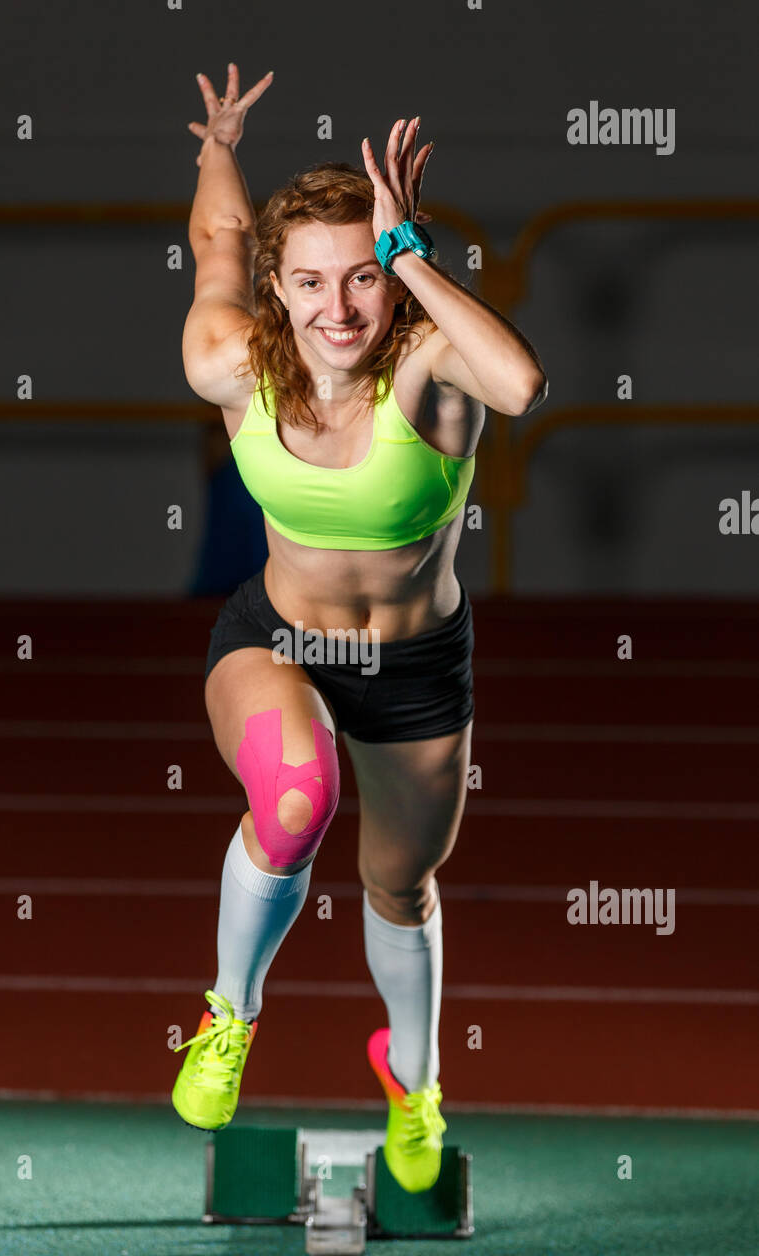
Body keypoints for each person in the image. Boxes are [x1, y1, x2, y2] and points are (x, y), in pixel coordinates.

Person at [172, 63, 547, 1193]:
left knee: (399, 886)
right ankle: (228, 1015)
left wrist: (410, 256)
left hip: (414, 667)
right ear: (279, 290)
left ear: (390, 282)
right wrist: (218, 144)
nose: (336, 308)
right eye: (308, 281)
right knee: (293, 797)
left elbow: (520, 385)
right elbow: (217, 247)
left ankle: (414, 1082)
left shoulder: (432, 373)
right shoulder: (231, 366)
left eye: (360, 279)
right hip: (277, 641)